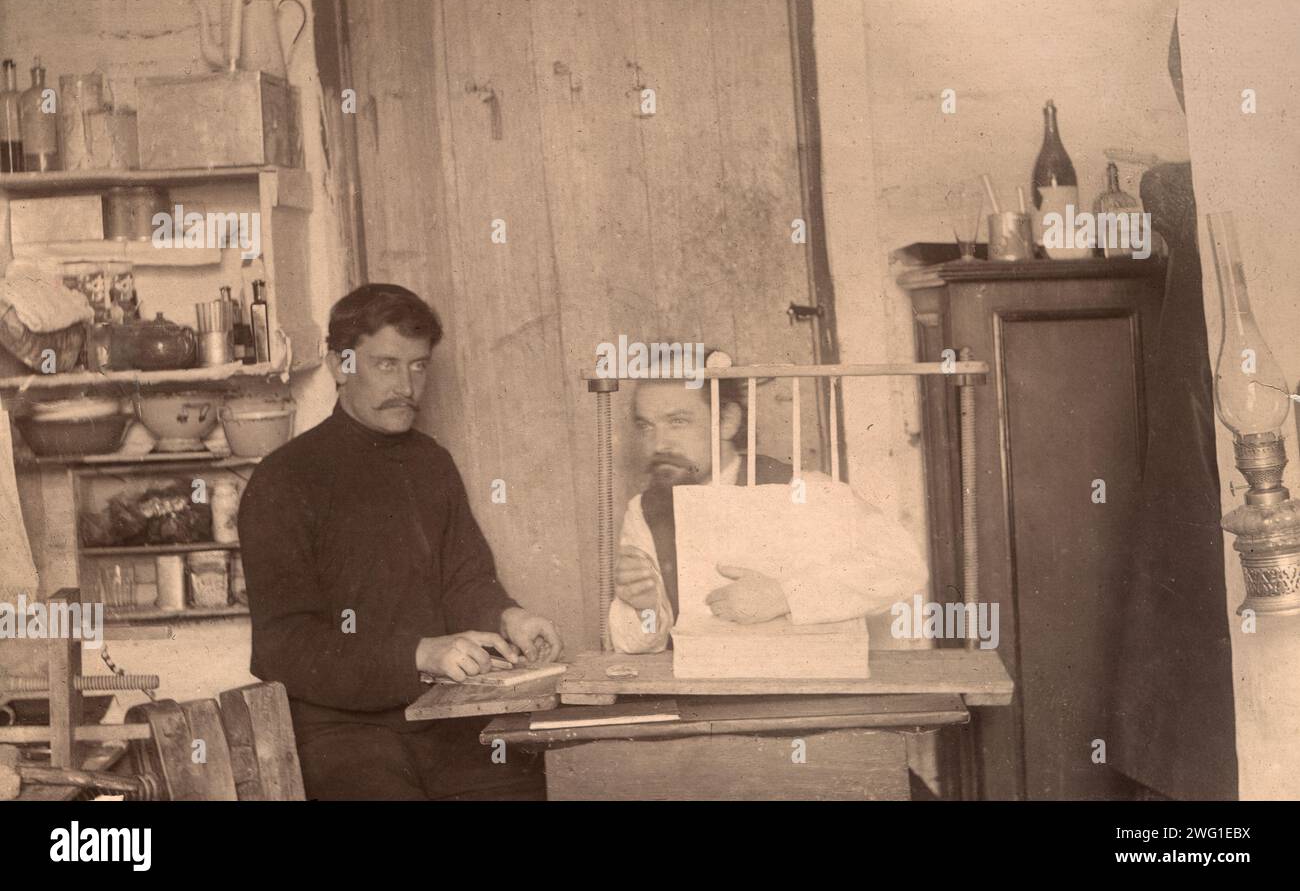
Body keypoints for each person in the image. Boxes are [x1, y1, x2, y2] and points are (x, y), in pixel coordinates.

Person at [239, 283, 561, 800]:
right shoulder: (285, 480)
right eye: (386, 364)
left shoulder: (432, 464)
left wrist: (508, 616)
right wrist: (418, 654)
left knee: (543, 784)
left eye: (419, 366)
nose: (407, 385)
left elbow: (465, 578)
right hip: (343, 734)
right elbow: (284, 647)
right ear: (339, 365)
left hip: (447, 718)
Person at [608, 371, 928, 654]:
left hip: (804, 695)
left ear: (727, 421)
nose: (659, 442)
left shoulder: (801, 489)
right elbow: (634, 645)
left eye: (677, 421)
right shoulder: (646, 510)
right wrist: (644, 608)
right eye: (645, 426)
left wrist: (784, 596)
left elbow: (901, 565)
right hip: (704, 699)